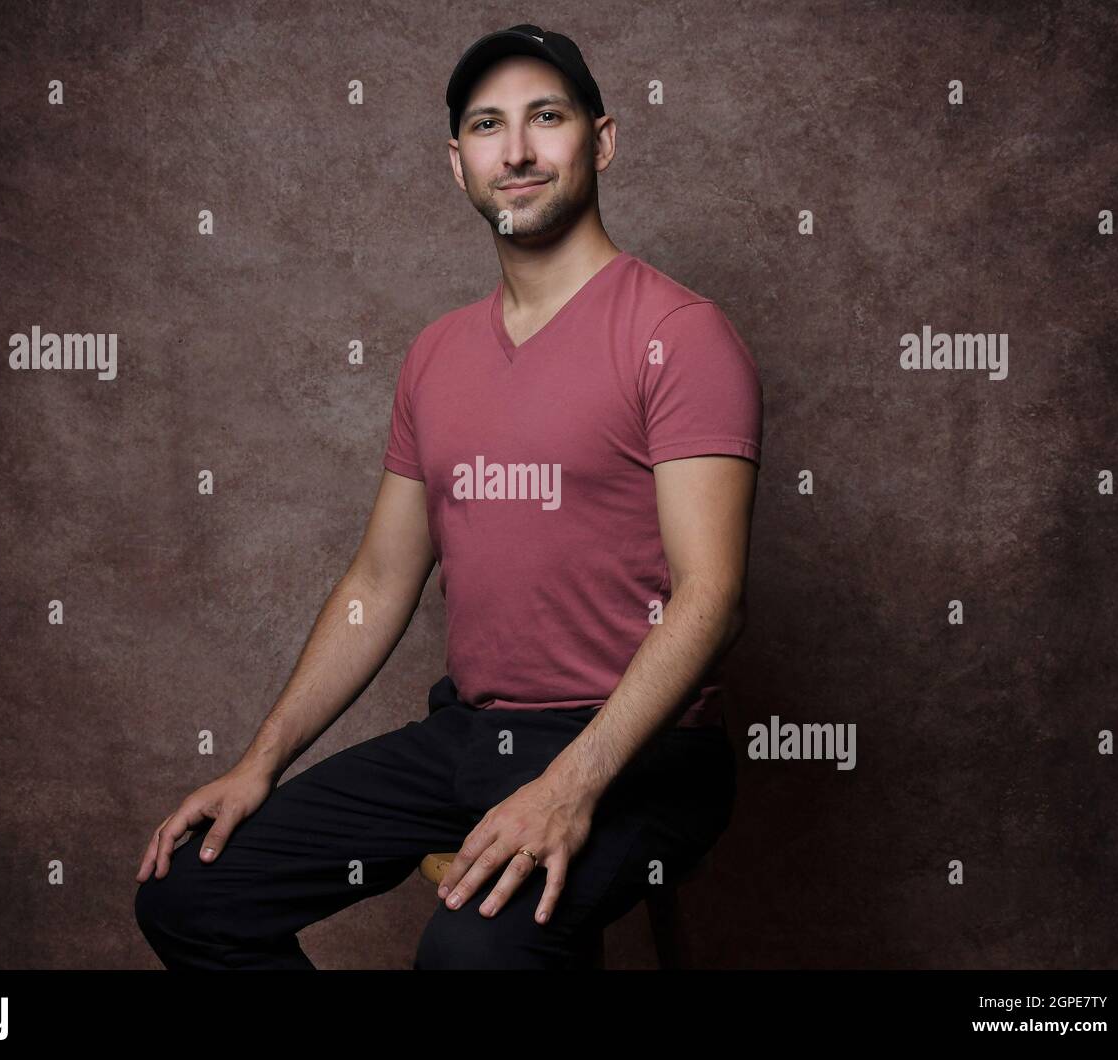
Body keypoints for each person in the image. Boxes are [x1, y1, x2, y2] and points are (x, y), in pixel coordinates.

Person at [134, 23, 762, 970]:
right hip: (473, 733)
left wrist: (571, 784)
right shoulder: (436, 353)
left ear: (602, 141)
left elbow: (711, 596)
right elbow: (380, 581)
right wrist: (261, 761)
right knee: (190, 893)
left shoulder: (680, 334)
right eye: (487, 126)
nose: (517, 151)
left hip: (641, 751)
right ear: (457, 164)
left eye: (546, 118)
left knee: (472, 955)